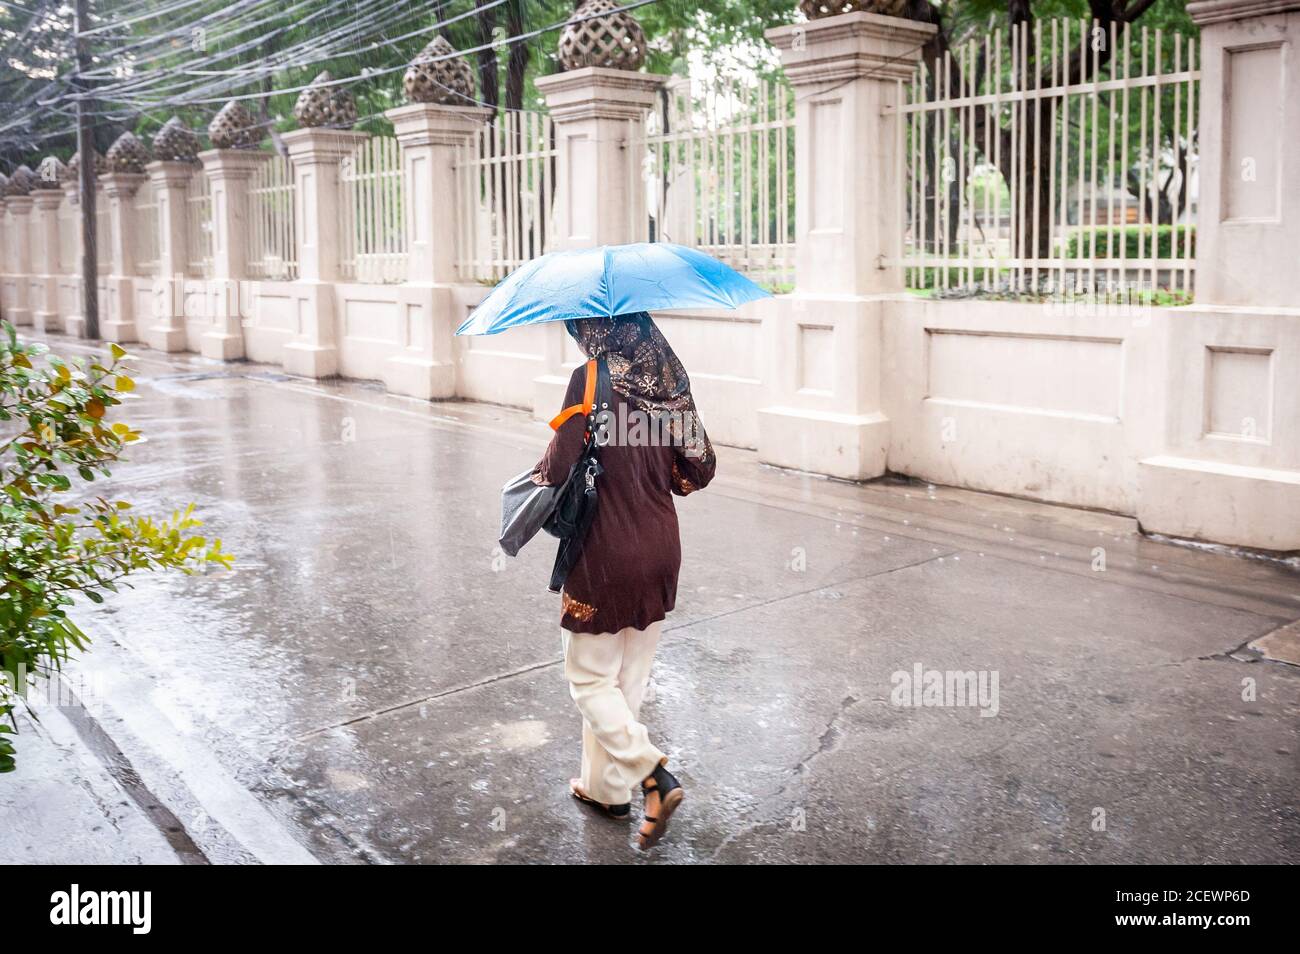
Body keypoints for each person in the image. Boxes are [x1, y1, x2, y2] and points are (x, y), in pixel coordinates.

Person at [531, 312, 716, 850]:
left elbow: (560, 467)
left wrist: (543, 467)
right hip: (659, 548)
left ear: (596, 328)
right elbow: (698, 470)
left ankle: (652, 775)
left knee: (590, 680)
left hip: (604, 552)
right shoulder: (669, 384)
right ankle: (605, 790)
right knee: (626, 681)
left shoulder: (590, 380)